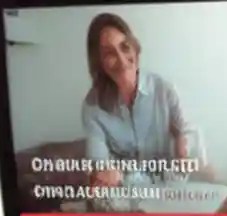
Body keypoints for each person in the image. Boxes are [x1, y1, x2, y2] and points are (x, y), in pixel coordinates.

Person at [82, 13, 192, 188]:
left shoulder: (166, 90)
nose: (121, 59)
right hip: (125, 199)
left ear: (134, 48)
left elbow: (188, 139)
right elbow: (99, 168)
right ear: (99, 62)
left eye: (125, 47)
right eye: (109, 53)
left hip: (171, 192)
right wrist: (103, 174)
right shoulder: (92, 106)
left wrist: (184, 145)